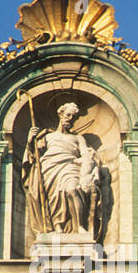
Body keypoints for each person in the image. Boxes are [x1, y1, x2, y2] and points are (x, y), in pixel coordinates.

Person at [22, 101, 103, 239]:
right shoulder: (47, 136)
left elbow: (86, 155)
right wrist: (30, 141)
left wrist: (88, 171)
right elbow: (33, 156)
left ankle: (79, 227)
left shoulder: (78, 138)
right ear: (61, 114)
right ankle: (57, 227)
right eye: (68, 115)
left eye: (74, 117)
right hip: (49, 169)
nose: (70, 118)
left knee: (72, 189)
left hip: (70, 167)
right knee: (53, 198)